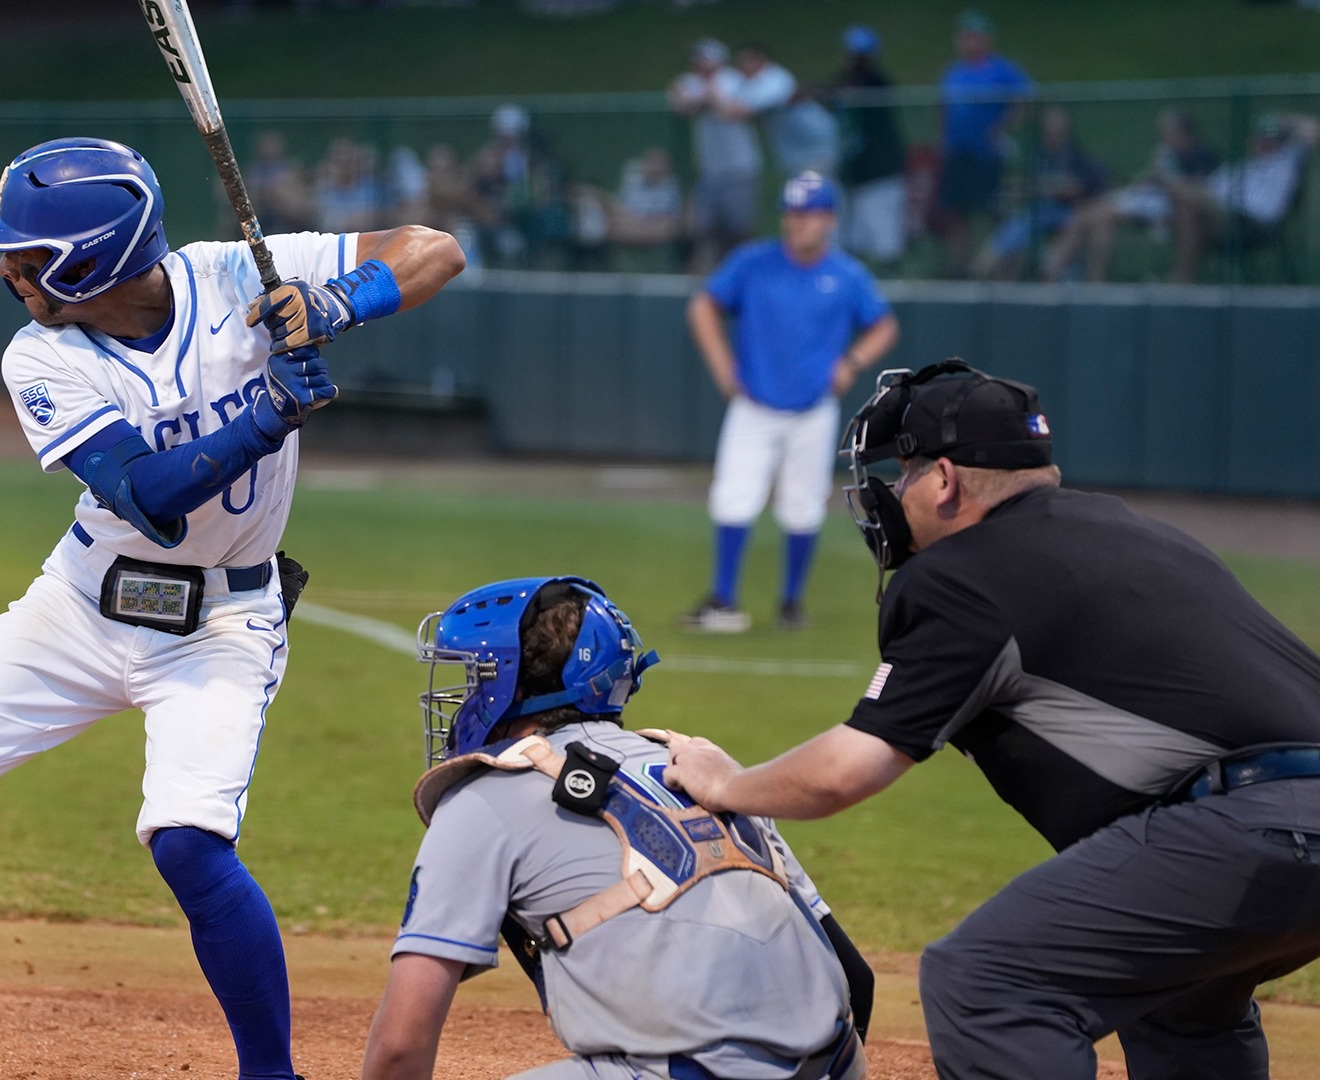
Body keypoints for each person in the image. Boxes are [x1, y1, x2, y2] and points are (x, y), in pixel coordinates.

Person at [0, 137, 465, 1080]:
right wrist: (267, 408)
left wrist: (338, 301)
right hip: (81, 604)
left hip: (224, 625)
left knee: (190, 844)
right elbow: (142, 492)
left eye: (30, 253)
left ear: (92, 257)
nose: (10, 268)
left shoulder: (236, 273)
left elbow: (434, 247)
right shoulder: (42, 353)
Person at [663, 359, 1320, 1079]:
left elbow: (849, 769)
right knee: (1182, 1002)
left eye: (905, 470)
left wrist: (726, 782)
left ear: (944, 479)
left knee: (984, 984)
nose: (893, 491)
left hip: (1253, 826)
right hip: (1272, 824)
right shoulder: (1133, 530)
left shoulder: (964, 574)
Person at [361, 576, 873, 1080]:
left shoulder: (482, 799)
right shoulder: (708, 769)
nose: (466, 696)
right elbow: (858, 979)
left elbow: (401, 1048)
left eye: (475, 676)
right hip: (835, 1063)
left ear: (505, 684)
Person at [683, 173, 900, 633]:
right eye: (791, 213)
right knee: (733, 498)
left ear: (829, 219)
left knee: (803, 503)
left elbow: (884, 325)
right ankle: (723, 600)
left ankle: (791, 604)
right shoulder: (754, 262)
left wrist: (851, 362)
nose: (797, 223)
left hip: (812, 407)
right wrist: (724, 370)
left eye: (807, 214)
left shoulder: (845, 274)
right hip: (755, 403)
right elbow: (702, 306)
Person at [1040, 108, 1220, 283]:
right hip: (1147, 200)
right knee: (1092, 219)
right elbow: (1148, 179)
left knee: (1095, 214)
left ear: (1182, 131)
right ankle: (1086, 280)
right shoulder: (1166, 153)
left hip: (1168, 205)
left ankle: (1055, 272)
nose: (1164, 136)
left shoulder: (1201, 155)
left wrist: (1166, 182)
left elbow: (1198, 188)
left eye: (1168, 130)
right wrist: (1146, 179)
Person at [934, 10, 1034, 276]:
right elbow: (943, 108)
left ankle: (995, 265)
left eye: (976, 37)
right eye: (966, 37)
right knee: (957, 211)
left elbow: (1025, 98)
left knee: (991, 210)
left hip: (986, 152)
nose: (970, 42)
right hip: (957, 151)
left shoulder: (1001, 69)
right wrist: (942, 140)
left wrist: (1002, 126)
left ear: (987, 40)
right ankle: (959, 266)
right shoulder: (953, 72)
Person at [1169, 112, 1319, 283]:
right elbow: (1211, 186)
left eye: (1268, 138)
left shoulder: (1286, 161)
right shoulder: (1244, 168)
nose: (1262, 142)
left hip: (1255, 224)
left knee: (1184, 193)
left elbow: (1313, 130)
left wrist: (1282, 122)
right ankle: (1182, 283)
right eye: (1259, 137)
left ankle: (1181, 281)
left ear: (1278, 141)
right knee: (1186, 212)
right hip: (1226, 219)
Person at [972, 106, 1107, 281]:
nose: (1053, 134)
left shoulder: (1075, 156)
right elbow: (1023, 185)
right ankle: (977, 273)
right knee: (1014, 229)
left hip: (1068, 212)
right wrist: (1035, 188)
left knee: (1076, 225)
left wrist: (1048, 187)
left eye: (1058, 129)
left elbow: (1078, 187)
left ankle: (1049, 275)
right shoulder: (1037, 155)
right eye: (1049, 129)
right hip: (1040, 210)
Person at [669, 39, 765, 273]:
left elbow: (730, 112)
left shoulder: (732, 80)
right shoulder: (690, 81)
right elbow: (680, 104)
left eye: (704, 58)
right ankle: (717, 275)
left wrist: (708, 98)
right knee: (704, 227)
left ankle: (746, 271)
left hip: (739, 167)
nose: (699, 63)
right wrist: (705, 99)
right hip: (710, 170)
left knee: (739, 228)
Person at [824, 25, 907, 268]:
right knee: (851, 236)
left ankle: (891, 278)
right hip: (856, 172)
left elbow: (854, 93)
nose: (856, 58)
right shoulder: (846, 77)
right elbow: (832, 91)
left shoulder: (877, 81)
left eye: (861, 54)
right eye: (853, 53)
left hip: (880, 171)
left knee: (884, 235)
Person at [734, 44, 840, 179]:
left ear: (760, 60)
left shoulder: (775, 79)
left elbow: (741, 113)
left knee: (815, 193)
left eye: (746, 60)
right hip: (796, 152)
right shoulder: (750, 84)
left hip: (815, 147)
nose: (741, 66)